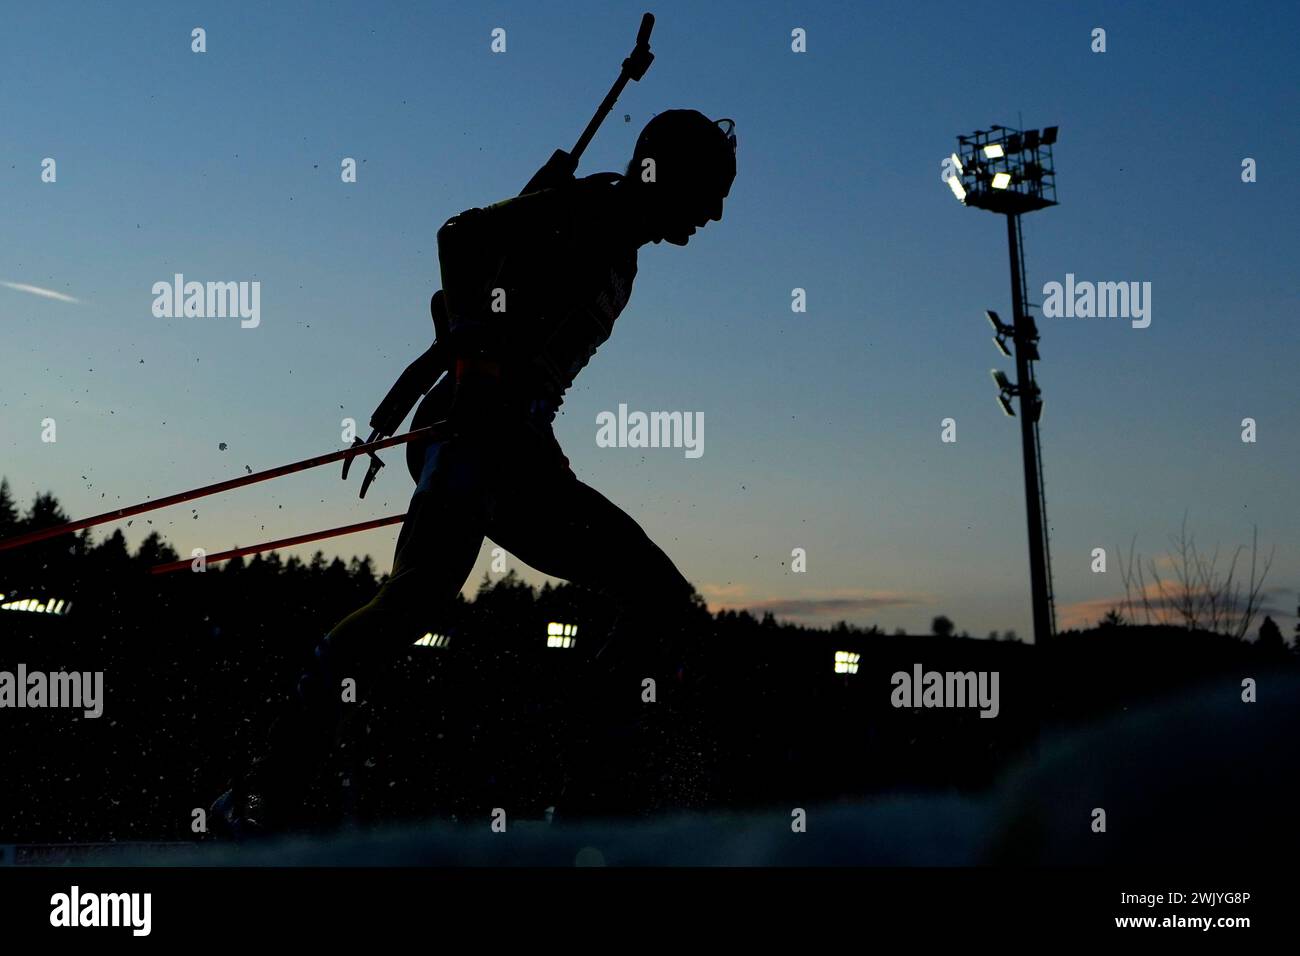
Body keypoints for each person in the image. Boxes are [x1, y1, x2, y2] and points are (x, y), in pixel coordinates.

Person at [212, 110, 737, 836]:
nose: (717, 211)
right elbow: (460, 237)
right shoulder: (594, 205)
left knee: (439, 603)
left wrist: (536, 427)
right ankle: (262, 797)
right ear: (668, 174)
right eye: (711, 191)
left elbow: (536, 342)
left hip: (512, 446)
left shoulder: (626, 251)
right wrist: (478, 364)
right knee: (440, 600)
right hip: (471, 433)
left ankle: (586, 806)